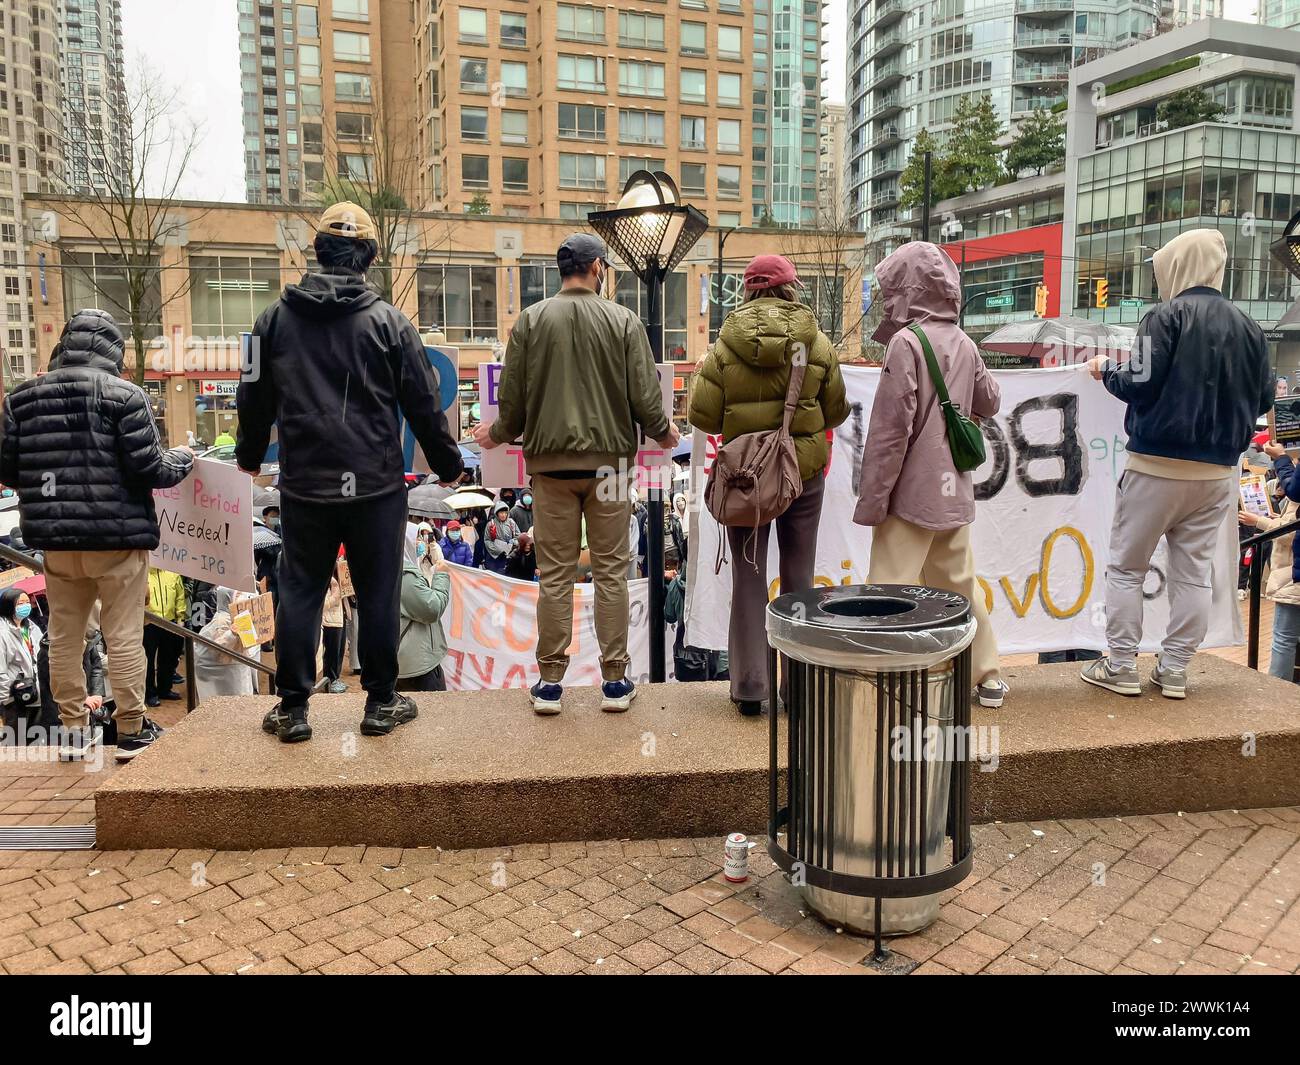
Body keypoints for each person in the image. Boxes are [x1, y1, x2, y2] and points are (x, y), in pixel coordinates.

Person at [236, 201, 462, 743]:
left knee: (300, 588)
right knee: (379, 589)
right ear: (368, 257)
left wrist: (247, 456)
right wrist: (449, 462)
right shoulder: (391, 322)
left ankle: (292, 708)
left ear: (317, 251)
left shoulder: (267, 322)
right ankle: (381, 702)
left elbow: (250, 397)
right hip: (375, 483)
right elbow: (424, 403)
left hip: (304, 483)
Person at [475, 232, 678, 714]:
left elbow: (516, 402)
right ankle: (614, 681)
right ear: (598, 268)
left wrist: (497, 433)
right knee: (610, 570)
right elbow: (644, 395)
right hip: (608, 465)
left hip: (551, 469)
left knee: (556, 575)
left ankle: (549, 683)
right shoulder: (623, 321)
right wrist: (663, 430)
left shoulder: (530, 320)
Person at [1082, 229, 1274, 699]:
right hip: (1218, 473)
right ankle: (1174, 669)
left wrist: (1106, 368)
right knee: (1194, 572)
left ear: (1175, 267)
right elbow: (1266, 397)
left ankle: (1121, 665)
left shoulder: (1164, 316)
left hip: (1155, 465)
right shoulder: (1251, 328)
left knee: (1127, 566)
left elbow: (1139, 383)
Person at [0, 309, 192, 761]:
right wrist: (183, 458)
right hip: (118, 539)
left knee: (65, 635)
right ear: (114, 348)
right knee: (123, 634)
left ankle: (72, 730)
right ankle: (131, 728)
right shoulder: (125, 394)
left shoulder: (21, 397)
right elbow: (152, 468)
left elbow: (7, 468)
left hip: (56, 541)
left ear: (65, 342)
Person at [690, 254, 849, 715]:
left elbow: (701, 415)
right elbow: (836, 412)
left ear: (749, 290)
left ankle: (750, 687)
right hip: (803, 473)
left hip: (747, 478)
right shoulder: (814, 342)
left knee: (749, 576)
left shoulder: (725, 345)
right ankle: (798, 690)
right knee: (799, 579)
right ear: (790, 288)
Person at [850, 242, 1005, 705]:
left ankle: (882, 679)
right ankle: (987, 675)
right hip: (953, 491)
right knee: (959, 585)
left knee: (889, 590)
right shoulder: (964, 341)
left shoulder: (906, 343)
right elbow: (991, 400)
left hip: (909, 496)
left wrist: (873, 498)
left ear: (905, 290)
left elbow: (889, 433)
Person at [1256, 441, 1299, 681]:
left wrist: (1259, 522)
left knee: (1284, 639)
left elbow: (1289, 530)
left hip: (1293, 575)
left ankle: (1276, 691)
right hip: (1292, 573)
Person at [397, 524, 451, 692]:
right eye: (417, 538)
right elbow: (432, 608)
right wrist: (442, 576)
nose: (421, 542)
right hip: (417, 665)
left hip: (407, 660)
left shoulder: (393, 568)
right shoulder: (405, 575)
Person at [193, 588, 260, 700]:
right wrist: (232, 634)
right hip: (227, 674)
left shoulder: (237, 617)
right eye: (237, 595)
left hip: (237, 668)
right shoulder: (222, 620)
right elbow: (218, 648)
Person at [0, 590, 42, 740]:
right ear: (8, 605)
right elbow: (1, 670)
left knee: (35, 740)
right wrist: (6, 701)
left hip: (35, 695)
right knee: (15, 743)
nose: (25, 606)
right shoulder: (2, 632)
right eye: (20, 603)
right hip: (14, 699)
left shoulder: (31, 627)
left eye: (27, 602)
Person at [143, 567, 187, 707]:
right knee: (148, 660)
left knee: (168, 658)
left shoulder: (173, 573)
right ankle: (150, 693)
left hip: (170, 621)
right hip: (149, 622)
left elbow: (180, 596)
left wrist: (181, 618)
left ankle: (164, 689)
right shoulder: (143, 574)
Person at [321, 572, 348, 694]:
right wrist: (337, 594)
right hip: (329, 620)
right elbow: (323, 604)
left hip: (339, 617)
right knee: (331, 652)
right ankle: (330, 680)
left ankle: (335, 678)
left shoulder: (339, 569)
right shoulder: (325, 577)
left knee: (339, 650)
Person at [484, 502, 521, 575]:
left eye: (505, 513)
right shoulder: (490, 524)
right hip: (494, 556)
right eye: (501, 513)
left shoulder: (511, 523)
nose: (503, 515)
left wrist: (513, 542)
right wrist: (498, 550)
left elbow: (518, 536)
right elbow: (487, 540)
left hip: (509, 555)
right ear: (497, 513)